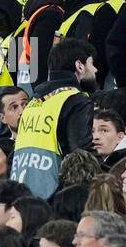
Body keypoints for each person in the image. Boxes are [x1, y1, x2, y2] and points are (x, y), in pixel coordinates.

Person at [9, 38, 96, 200]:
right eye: (91, 64)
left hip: (20, 198)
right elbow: (82, 155)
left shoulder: (33, 103)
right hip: (53, 201)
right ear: (79, 66)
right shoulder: (75, 100)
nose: (96, 70)